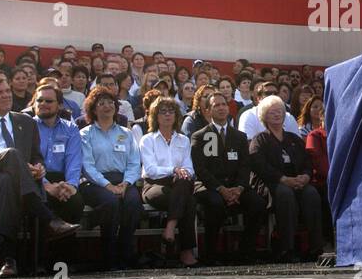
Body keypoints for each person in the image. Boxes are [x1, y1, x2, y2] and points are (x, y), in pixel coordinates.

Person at [0, 76, 79, 278]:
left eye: (7, 91)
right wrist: (12, 162)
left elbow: (35, 155)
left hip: (11, 185)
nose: (6, 95)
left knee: (5, 180)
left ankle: (8, 259)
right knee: (11, 155)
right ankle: (48, 218)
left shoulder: (25, 121)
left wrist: (38, 168)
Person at [190, 93, 264, 264]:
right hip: (209, 187)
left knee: (258, 203)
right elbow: (200, 169)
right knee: (215, 203)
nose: (222, 108)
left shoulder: (239, 136)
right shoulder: (199, 136)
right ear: (208, 110)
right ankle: (211, 254)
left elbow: (245, 166)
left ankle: (245, 251)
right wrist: (221, 189)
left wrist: (239, 188)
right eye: (216, 105)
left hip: (235, 187)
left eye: (224, 104)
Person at [248, 96, 323, 262]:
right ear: (264, 116)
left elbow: (307, 162)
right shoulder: (259, 140)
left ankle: (316, 247)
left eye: (280, 111)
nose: (277, 114)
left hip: (297, 181)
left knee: (311, 193)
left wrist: (306, 176)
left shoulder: (294, 139)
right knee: (285, 193)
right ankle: (286, 249)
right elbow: (260, 167)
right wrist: (283, 179)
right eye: (272, 112)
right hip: (272, 184)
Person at [78, 86, 145, 270]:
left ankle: (126, 250)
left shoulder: (126, 133)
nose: (107, 106)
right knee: (111, 203)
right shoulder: (85, 134)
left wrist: (126, 183)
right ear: (93, 109)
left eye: (110, 102)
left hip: (123, 180)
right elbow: (87, 166)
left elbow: (134, 162)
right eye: (101, 103)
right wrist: (107, 185)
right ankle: (108, 255)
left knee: (133, 201)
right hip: (95, 182)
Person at [137, 97, 198, 266]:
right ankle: (186, 251)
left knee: (185, 186)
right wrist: (173, 170)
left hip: (178, 184)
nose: (167, 115)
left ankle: (170, 228)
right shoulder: (147, 139)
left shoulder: (183, 140)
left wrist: (182, 172)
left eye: (171, 111)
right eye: (163, 112)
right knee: (188, 200)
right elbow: (150, 170)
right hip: (154, 185)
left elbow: (190, 168)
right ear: (155, 116)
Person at [31, 85, 84, 225]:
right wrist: (47, 186)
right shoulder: (27, 126)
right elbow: (28, 160)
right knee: (40, 202)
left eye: (48, 101)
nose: (43, 104)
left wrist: (71, 185)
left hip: (62, 178)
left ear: (59, 105)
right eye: (39, 100)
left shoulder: (70, 128)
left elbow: (74, 160)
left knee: (75, 202)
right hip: (35, 179)